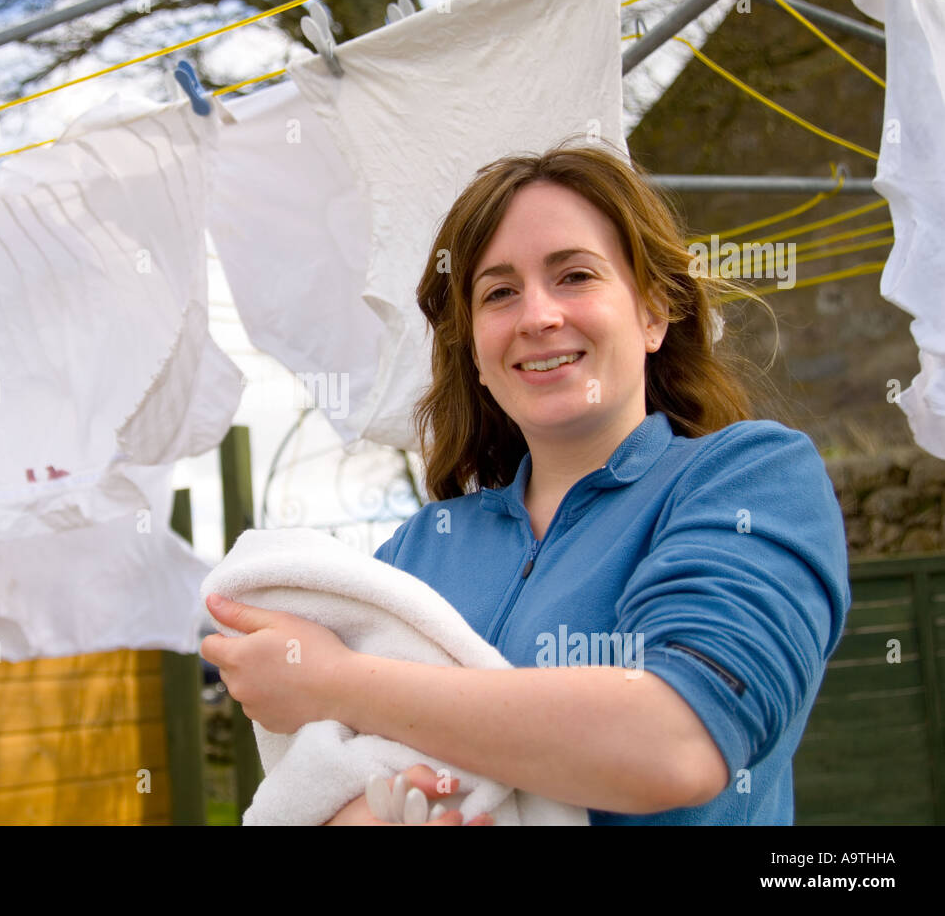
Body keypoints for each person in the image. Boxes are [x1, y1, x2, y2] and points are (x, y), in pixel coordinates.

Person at [199, 141, 852, 825]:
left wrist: (333, 681)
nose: (537, 316)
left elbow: (676, 741)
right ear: (477, 353)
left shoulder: (753, 479)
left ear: (654, 313)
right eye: (500, 292)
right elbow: (336, 774)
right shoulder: (420, 551)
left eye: (574, 275)